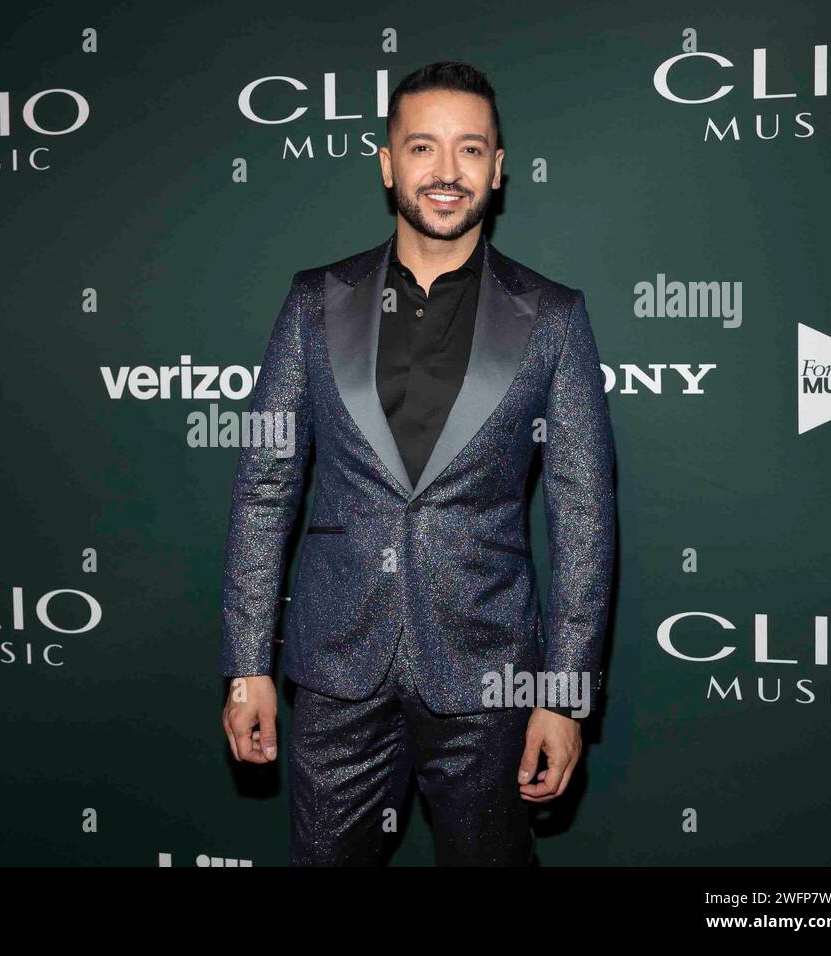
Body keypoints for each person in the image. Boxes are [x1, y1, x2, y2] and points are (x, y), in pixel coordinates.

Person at [218, 61, 617, 866]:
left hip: (489, 678)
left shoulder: (553, 317)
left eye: (469, 150)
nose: (445, 172)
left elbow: (583, 517)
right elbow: (265, 490)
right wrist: (245, 667)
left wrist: (565, 697)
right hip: (335, 671)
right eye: (423, 147)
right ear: (387, 161)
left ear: (498, 169)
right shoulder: (312, 301)